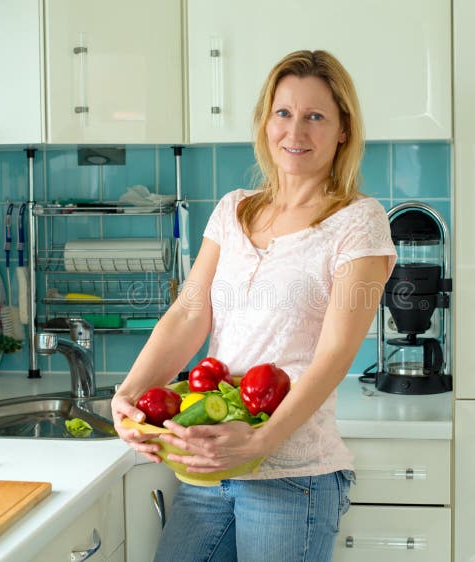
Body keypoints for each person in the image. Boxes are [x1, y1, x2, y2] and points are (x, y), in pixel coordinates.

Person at [112, 49, 396, 562]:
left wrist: (262, 443)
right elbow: (189, 313)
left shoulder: (360, 221)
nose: (296, 131)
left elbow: (335, 354)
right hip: (207, 464)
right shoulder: (234, 208)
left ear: (342, 131)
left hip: (293, 478)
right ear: (266, 121)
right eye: (283, 113)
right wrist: (130, 392)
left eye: (315, 116)